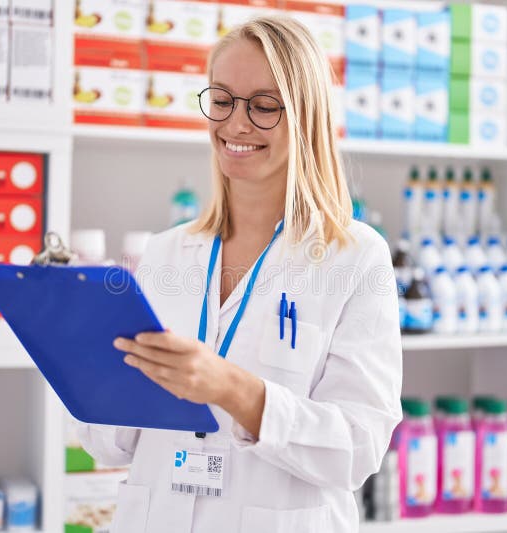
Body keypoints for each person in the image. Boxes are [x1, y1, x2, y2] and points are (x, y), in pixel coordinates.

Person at [78, 15, 402, 533]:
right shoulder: (166, 253)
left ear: (305, 116)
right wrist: (91, 374)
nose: (236, 124)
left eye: (265, 105)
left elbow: (358, 449)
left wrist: (236, 392)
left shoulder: (355, 257)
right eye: (223, 99)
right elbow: (107, 443)